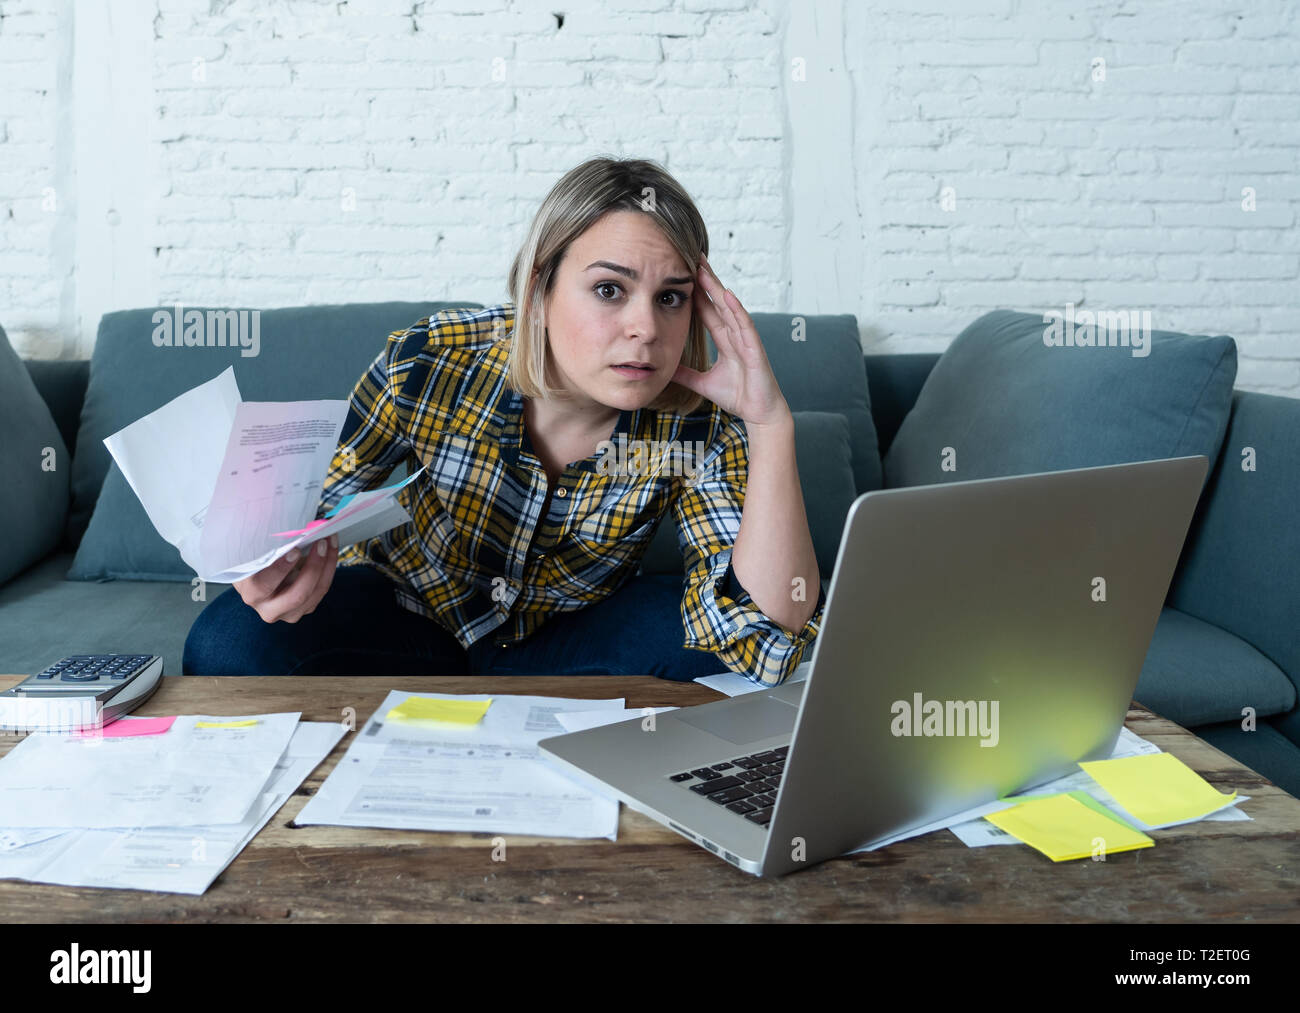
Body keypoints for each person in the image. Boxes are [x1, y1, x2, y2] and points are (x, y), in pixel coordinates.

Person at [182, 156, 825, 681]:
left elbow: (772, 623)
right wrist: (278, 565)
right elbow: (314, 507)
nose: (646, 329)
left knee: (722, 649)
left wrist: (770, 423)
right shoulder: (433, 360)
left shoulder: (700, 425)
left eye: (671, 298)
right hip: (410, 617)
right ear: (540, 289)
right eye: (609, 289)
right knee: (227, 644)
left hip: (566, 637)